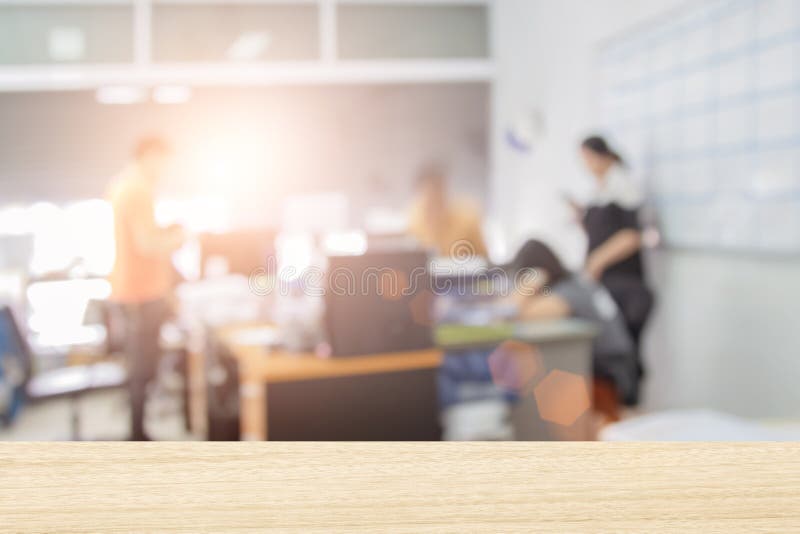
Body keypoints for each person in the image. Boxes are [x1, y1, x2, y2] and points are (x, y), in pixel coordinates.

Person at [108, 136, 185, 441]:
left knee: (143, 368)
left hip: (136, 291)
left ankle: (139, 433)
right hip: (140, 294)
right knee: (142, 371)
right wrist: (179, 239)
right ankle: (138, 437)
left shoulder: (123, 185)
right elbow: (146, 244)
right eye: (164, 162)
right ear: (151, 155)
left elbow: (143, 235)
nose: (165, 170)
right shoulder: (136, 189)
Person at [510, 239, 637, 421]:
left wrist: (529, 283)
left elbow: (517, 314)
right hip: (617, 363)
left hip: (608, 372)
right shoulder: (577, 282)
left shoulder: (568, 291)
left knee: (540, 383)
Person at [577, 136, 653, 402]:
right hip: (603, 285)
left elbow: (632, 235)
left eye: (587, 157)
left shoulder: (624, 184)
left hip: (625, 287)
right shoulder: (599, 188)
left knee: (623, 354)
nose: (585, 164)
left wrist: (597, 260)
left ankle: (627, 409)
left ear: (602, 155)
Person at [408, 164, 487, 259]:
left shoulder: (467, 218)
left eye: (437, 199)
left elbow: (484, 260)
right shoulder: (414, 221)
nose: (434, 208)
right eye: (429, 203)